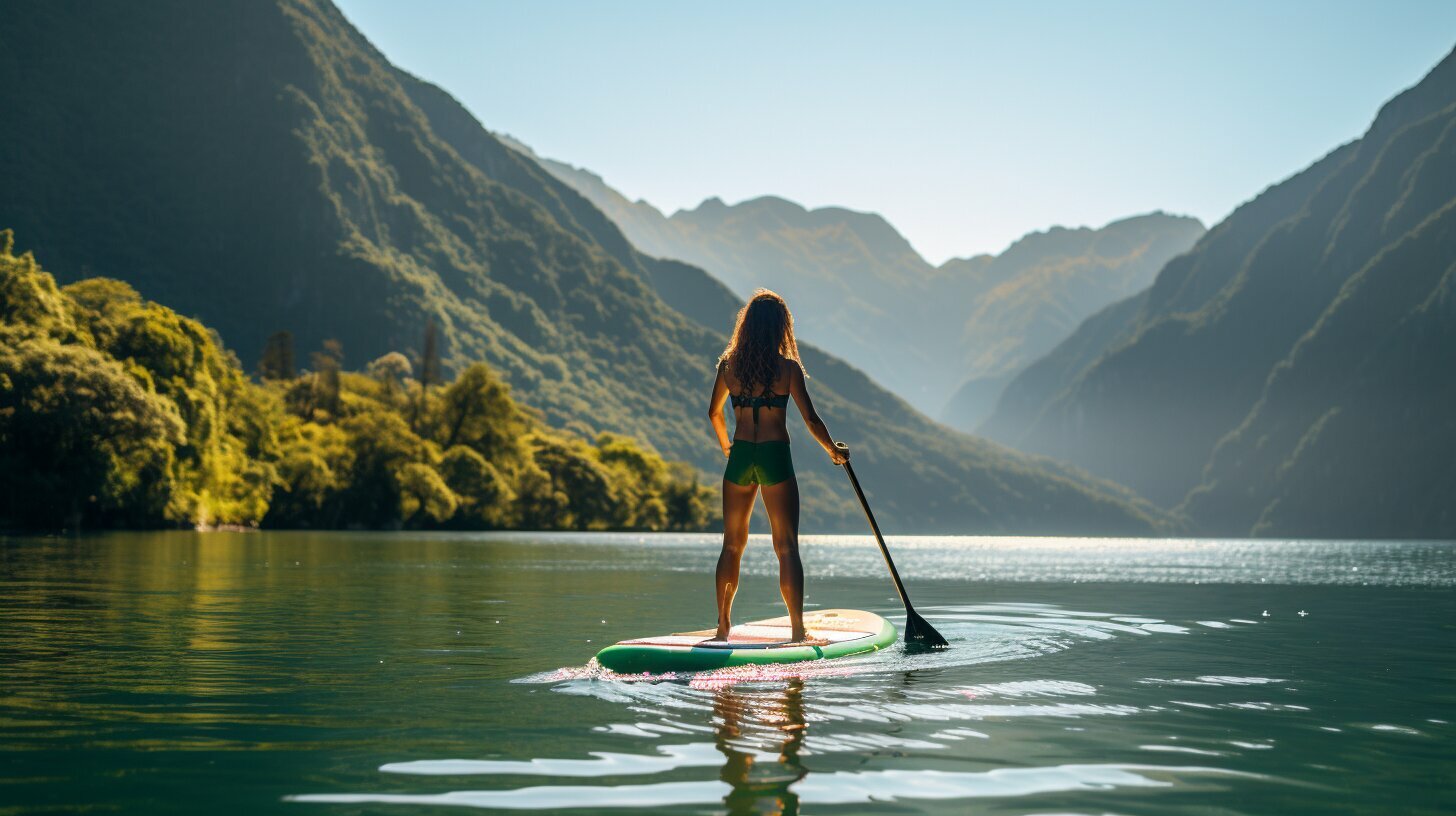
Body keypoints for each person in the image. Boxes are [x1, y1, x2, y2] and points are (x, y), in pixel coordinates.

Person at [708, 289, 849, 644]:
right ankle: (797, 630)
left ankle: (723, 627)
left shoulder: (729, 367)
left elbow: (714, 413)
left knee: (731, 545)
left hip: (741, 456)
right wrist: (832, 450)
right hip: (774, 456)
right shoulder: (787, 369)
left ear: (747, 326)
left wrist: (727, 446)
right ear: (780, 328)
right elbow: (811, 419)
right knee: (786, 547)